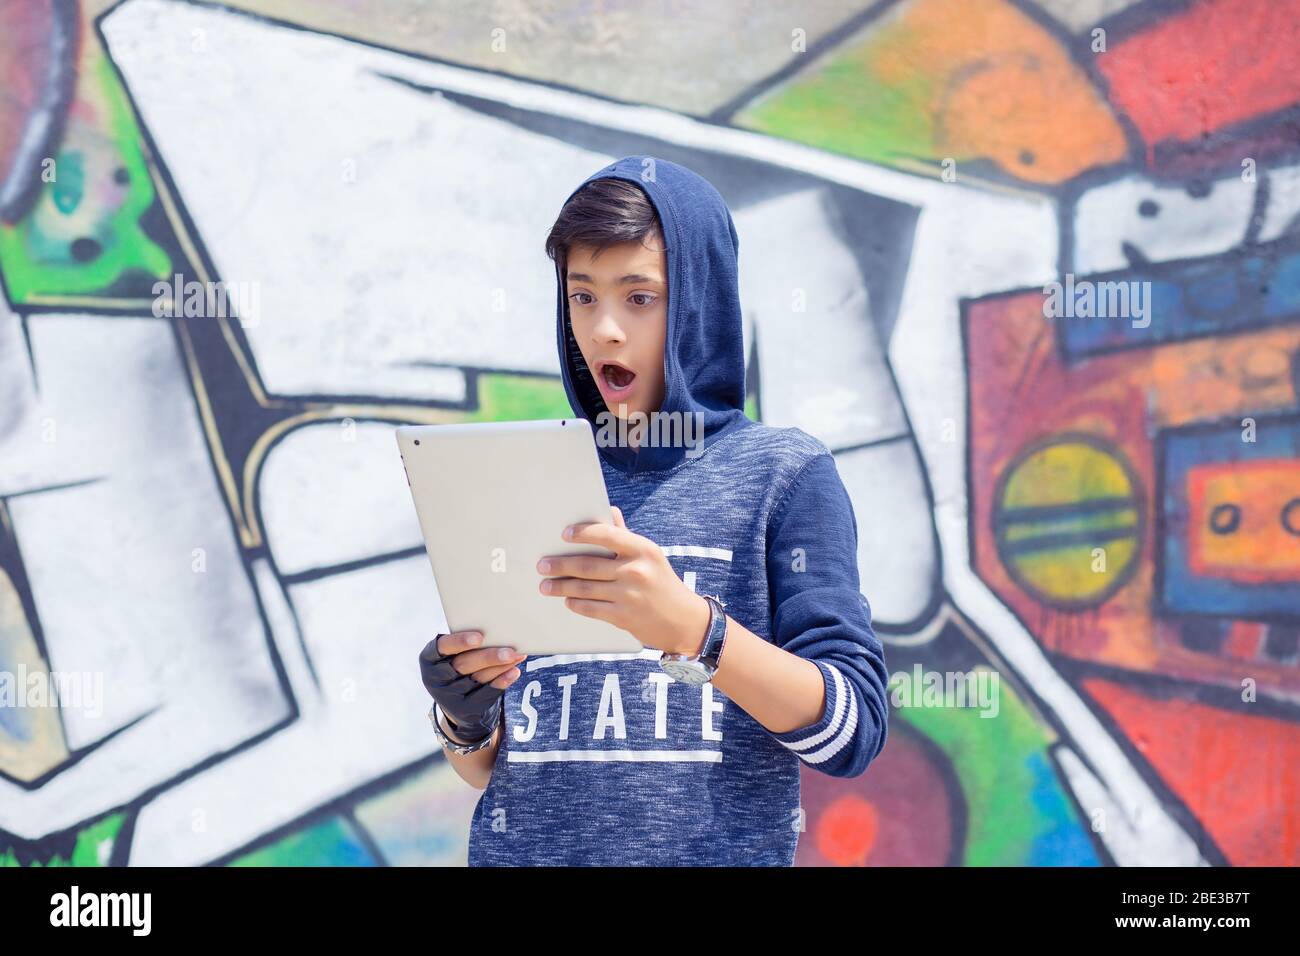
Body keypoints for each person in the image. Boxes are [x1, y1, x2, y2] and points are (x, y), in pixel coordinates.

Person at [418, 155, 889, 866]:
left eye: (640, 297)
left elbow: (852, 732)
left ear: (697, 301)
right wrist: (464, 713)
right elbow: (496, 770)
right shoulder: (530, 475)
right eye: (582, 297)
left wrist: (694, 630)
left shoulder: (784, 473)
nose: (604, 328)